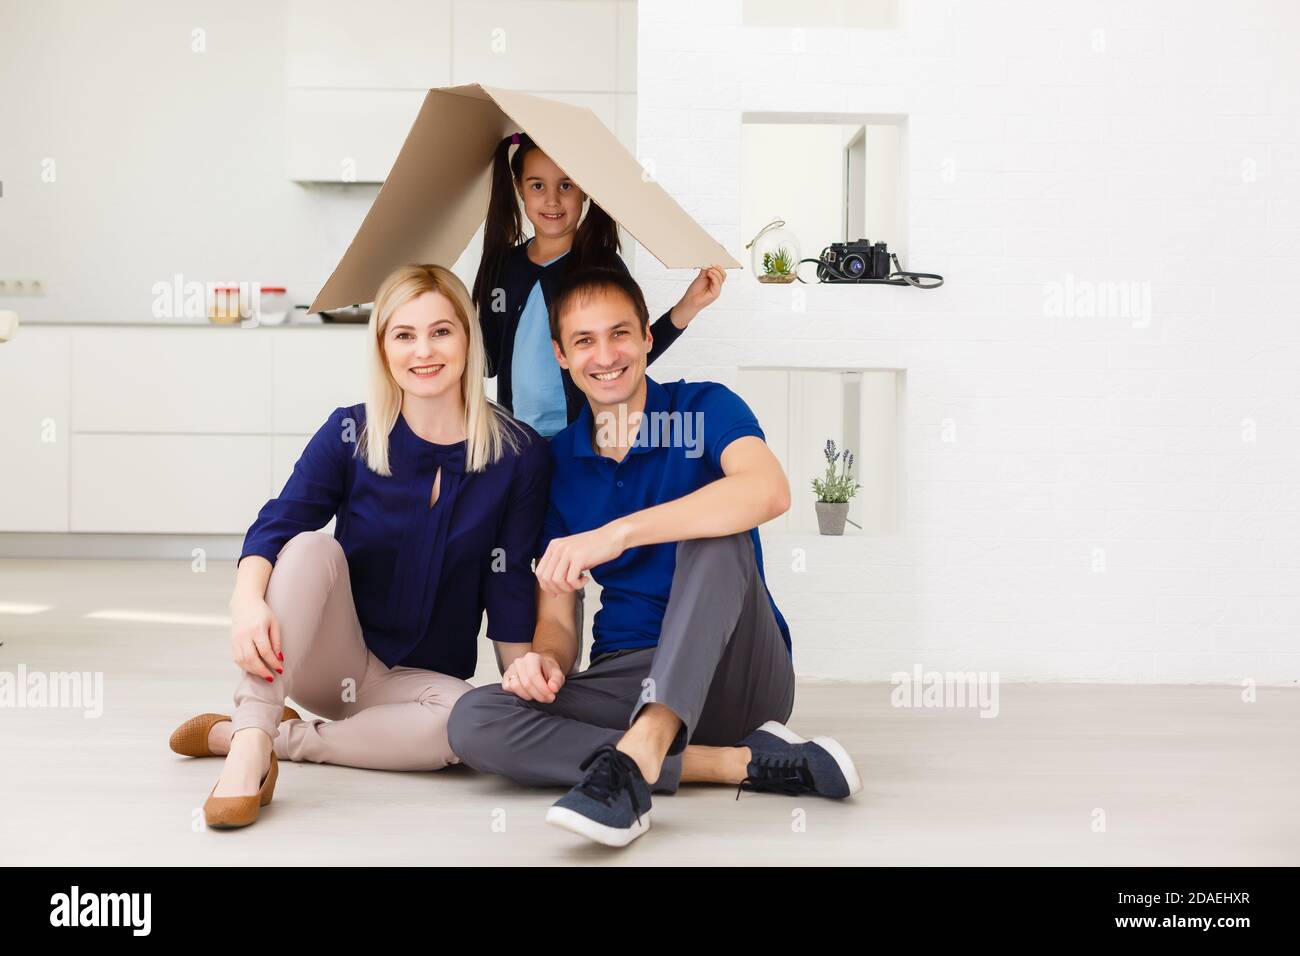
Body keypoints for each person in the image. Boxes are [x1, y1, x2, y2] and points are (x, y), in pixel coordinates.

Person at [447, 266, 861, 848]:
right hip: (628, 674)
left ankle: (641, 755)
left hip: (739, 674)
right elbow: (558, 619)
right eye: (584, 341)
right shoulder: (555, 463)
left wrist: (616, 534)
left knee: (717, 530)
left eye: (620, 334)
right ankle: (731, 764)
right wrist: (545, 660)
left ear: (647, 336)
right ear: (562, 356)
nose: (605, 355)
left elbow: (768, 491)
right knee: (474, 720)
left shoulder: (707, 407)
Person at [168, 264, 550, 829]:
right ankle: (250, 746)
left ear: (469, 338)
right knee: (311, 548)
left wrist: (522, 684)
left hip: (418, 685)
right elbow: (278, 524)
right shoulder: (351, 431)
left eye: (442, 331)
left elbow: (509, 579)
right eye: (404, 334)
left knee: (463, 723)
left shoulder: (520, 455)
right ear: (382, 346)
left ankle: (277, 737)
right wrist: (246, 603)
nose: (425, 351)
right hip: (331, 659)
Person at [472, 130, 726, 438]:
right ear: (520, 189)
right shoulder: (501, 268)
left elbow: (634, 349)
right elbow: (486, 363)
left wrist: (688, 307)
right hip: (515, 440)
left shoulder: (601, 267)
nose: (552, 200)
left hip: (587, 437)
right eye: (537, 185)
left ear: (585, 191)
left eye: (566, 185)